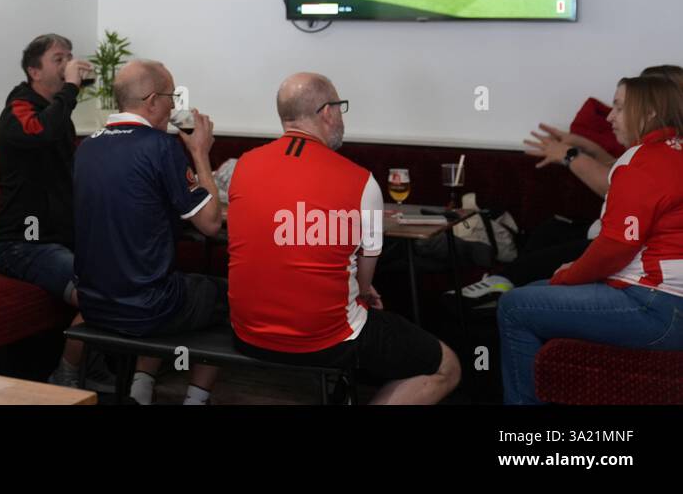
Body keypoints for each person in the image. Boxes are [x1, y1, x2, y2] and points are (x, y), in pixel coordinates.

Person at [228, 73, 460, 404]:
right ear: (327, 112)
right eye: (340, 108)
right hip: (327, 340)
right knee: (447, 367)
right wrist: (364, 291)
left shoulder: (244, 166)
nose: (341, 117)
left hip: (247, 334)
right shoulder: (360, 181)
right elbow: (365, 283)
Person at [498, 74, 683, 404]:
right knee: (535, 291)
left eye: (619, 107)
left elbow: (616, 248)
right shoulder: (673, 151)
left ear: (650, 111)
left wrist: (569, 275)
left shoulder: (641, 161)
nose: (610, 116)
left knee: (514, 305)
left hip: (657, 306)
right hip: (664, 300)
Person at [73, 59, 226, 405]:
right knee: (232, 295)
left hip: (94, 303)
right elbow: (211, 224)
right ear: (153, 100)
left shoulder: (87, 147)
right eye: (172, 97)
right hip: (150, 308)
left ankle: (140, 389)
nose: (174, 106)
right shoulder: (160, 147)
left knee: (172, 279)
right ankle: (195, 400)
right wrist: (200, 153)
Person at [0, 34, 102, 389]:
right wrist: (71, 87)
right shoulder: (19, 109)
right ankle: (65, 378)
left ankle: (95, 368)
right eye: (59, 59)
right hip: (23, 245)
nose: (69, 63)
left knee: (121, 280)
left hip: (59, 239)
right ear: (34, 71)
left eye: (70, 57)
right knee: (98, 294)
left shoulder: (57, 113)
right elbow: (38, 132)